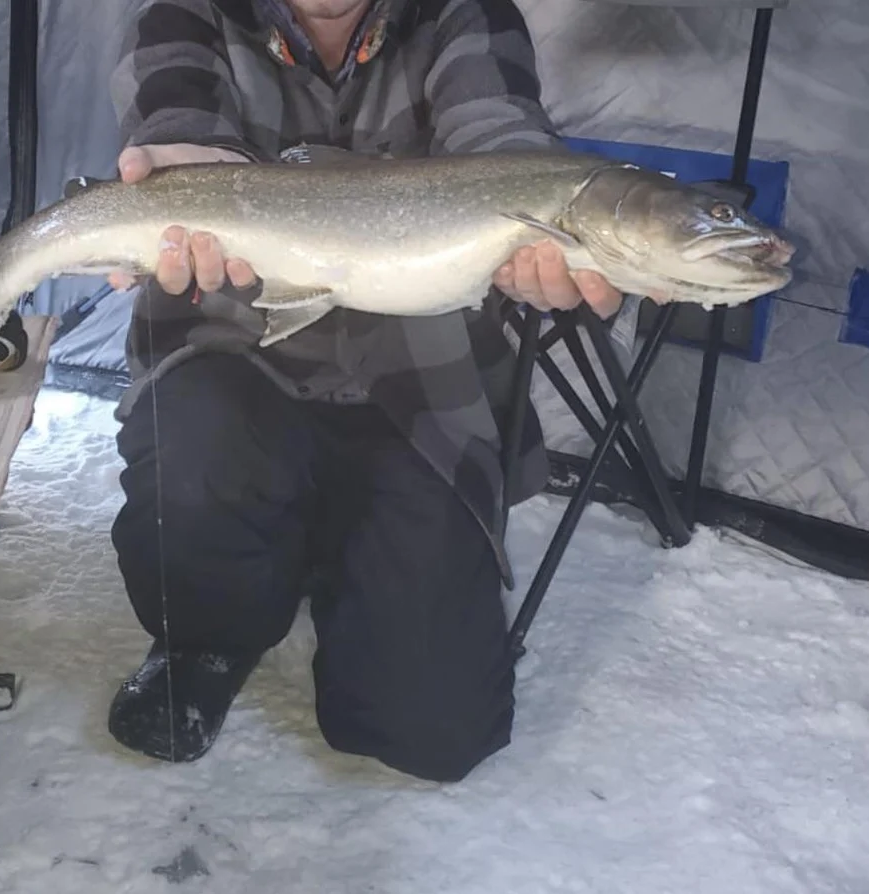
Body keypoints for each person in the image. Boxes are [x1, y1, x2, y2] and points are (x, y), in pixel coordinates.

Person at [104, 0, 622, 783]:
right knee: (197, 463)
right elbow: (181, 117)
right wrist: (189, 174)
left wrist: (547, 221)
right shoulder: (185, 11)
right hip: (234, 344)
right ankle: (213, 631)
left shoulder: (465, 13)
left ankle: (343, 556)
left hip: (415, 373)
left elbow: (501, 133)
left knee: (435, 731)